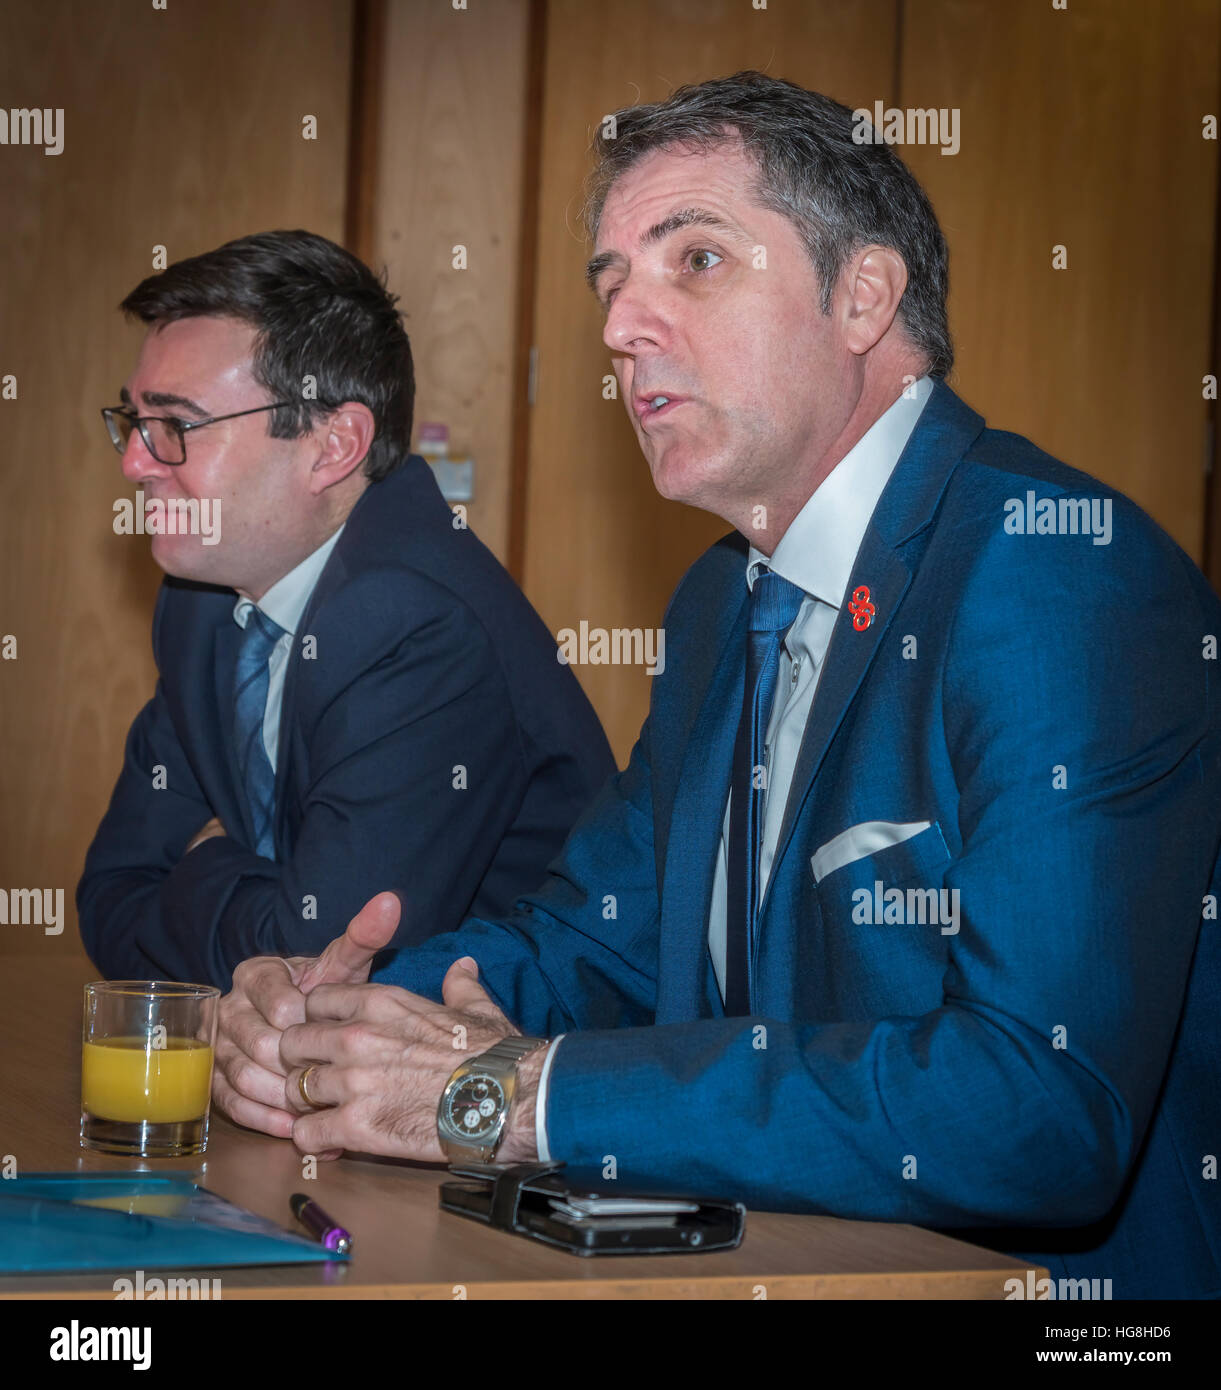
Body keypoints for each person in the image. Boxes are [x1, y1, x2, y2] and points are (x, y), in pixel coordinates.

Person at [211, 76, 1221, 1298]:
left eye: (693, 259)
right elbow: (602, 941)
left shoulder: (1052, 568)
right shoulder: (718, 602)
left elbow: (1039, 1106)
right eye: (610, 284)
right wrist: (331, 1011)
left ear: (865, 296)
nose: (623, 325)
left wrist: (525, 1099)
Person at [78, 229, 615, 990]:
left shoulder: (417, 620)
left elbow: (322, 956)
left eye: (177, 425)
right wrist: (255, 895)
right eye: (132, 420)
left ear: (333, 446)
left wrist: (203, 860)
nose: (134, 461)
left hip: (483, 1073)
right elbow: (108, 898)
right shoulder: (199, 603)